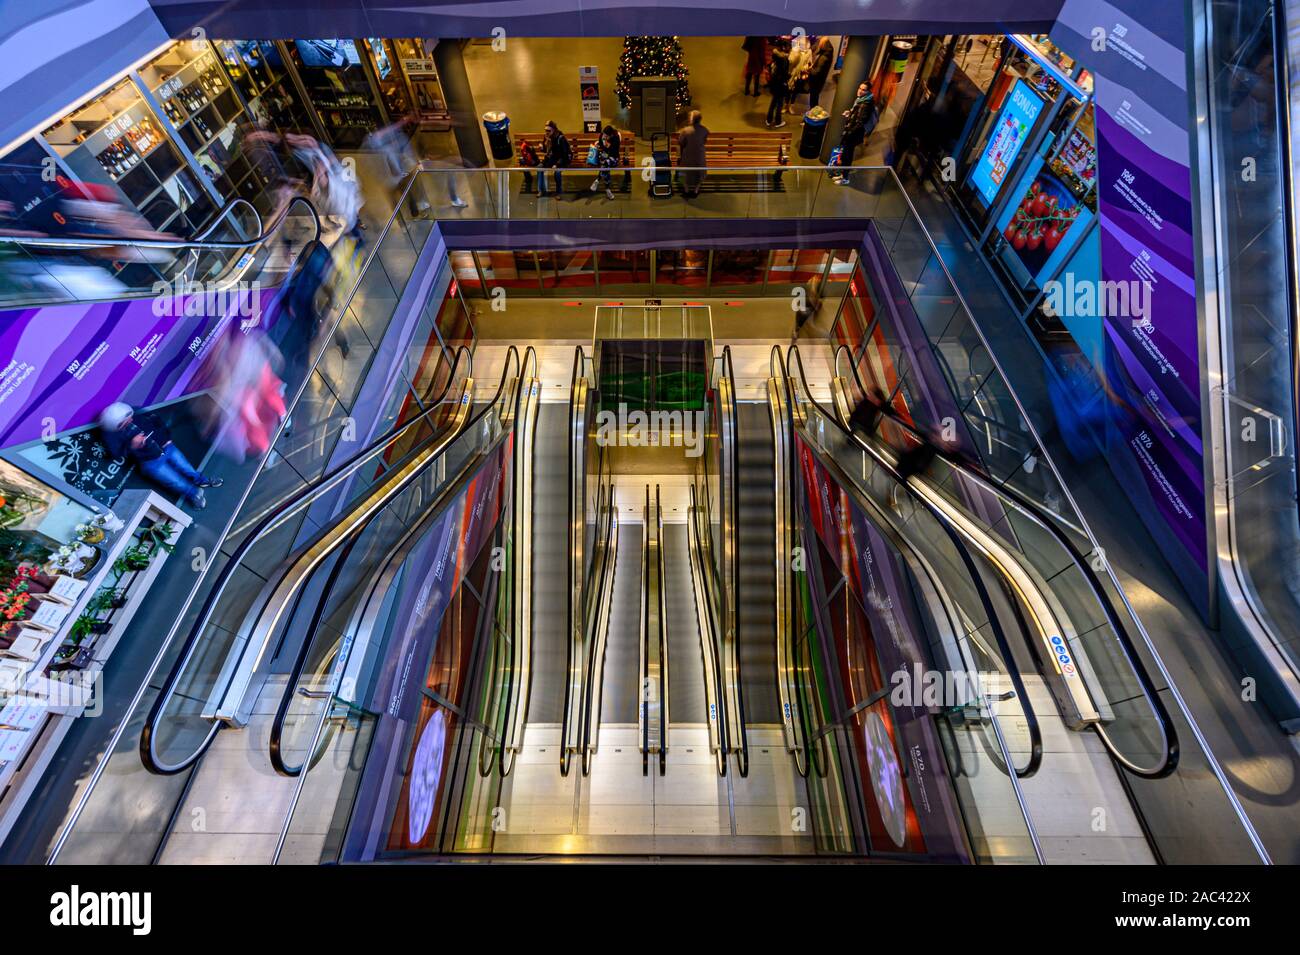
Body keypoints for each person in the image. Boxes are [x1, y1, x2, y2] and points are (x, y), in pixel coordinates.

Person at [98, 403, 222, 510]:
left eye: (129, 417)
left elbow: (156, 420)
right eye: (123, 423)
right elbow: (115, 453)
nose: (129, 420)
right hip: (151, 462)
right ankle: (194, 494)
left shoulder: (137, 413)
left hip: (168, 448)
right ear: (115, 425)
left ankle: (202, 480)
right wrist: (132, 445)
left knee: (186, 468)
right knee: (175, 482)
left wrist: (166, 438)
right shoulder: (110, 435)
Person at [835, 83, 877, 184]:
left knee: (847, 155)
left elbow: (860, 121)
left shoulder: (865, 104)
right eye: (859, 88)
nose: (860, 91)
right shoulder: (861, 100)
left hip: (853, 133)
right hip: (852, 132)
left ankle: (845, 178)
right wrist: (850, 113)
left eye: (863, 90)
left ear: (868, 92)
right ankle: (842, 175)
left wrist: (849, 131)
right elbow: (857, 113)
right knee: (846, 153)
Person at [677, 111, 709, 198]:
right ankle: (696, 190)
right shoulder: (705, 130)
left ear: (691, 119)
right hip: (700, 157)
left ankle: (686, 189)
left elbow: (681, 142)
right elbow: (704, 141)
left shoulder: (685, 131)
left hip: (687, 156)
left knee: (683, 172)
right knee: (700, 172)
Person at [538, 121, 571, 197]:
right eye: (545, 130)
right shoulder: (547, 137)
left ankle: (558, 192)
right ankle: (541, 190)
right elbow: (546, 151)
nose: (546, 132)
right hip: (550, 159)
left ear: (554, 130)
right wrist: (542, 148)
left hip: (560, 160)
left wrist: (557, 164)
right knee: (539, 168)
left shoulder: (560, 138)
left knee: (557, 172)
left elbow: (564, 155)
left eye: (549, 131)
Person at [589, 126, 621, 200]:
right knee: (606, 166)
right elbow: (601, 146)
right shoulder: (602, 135)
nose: (604, 136)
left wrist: (608, 146)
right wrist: (598, 145)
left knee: (606, 163)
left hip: (614, 158)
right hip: (605, 156)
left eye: (606, 135)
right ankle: (607, 189)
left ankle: (597, 180)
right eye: (604, 134)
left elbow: (615, 152)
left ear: (611, 135)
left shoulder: (616, 138)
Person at [766, 39, 791, 128]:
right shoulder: (784, 59)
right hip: (780, 84)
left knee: (773, 101)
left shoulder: (775, 55)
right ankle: (778, 121)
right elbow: (784, 73)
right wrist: (788, 78)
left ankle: (769, 120)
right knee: (780, 103)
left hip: (774, 83)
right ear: (784, 47)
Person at [808, 37, 835, 111]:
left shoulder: (824, 58)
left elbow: (816, 72)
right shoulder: (827, 53)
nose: (818, 44)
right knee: (814, 99)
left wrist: (810, 69)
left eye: (820, 43)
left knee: (813, 100)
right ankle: (813, 114)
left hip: (816, 82)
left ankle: (812, 116)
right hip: (819, 81)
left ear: (824, 44)